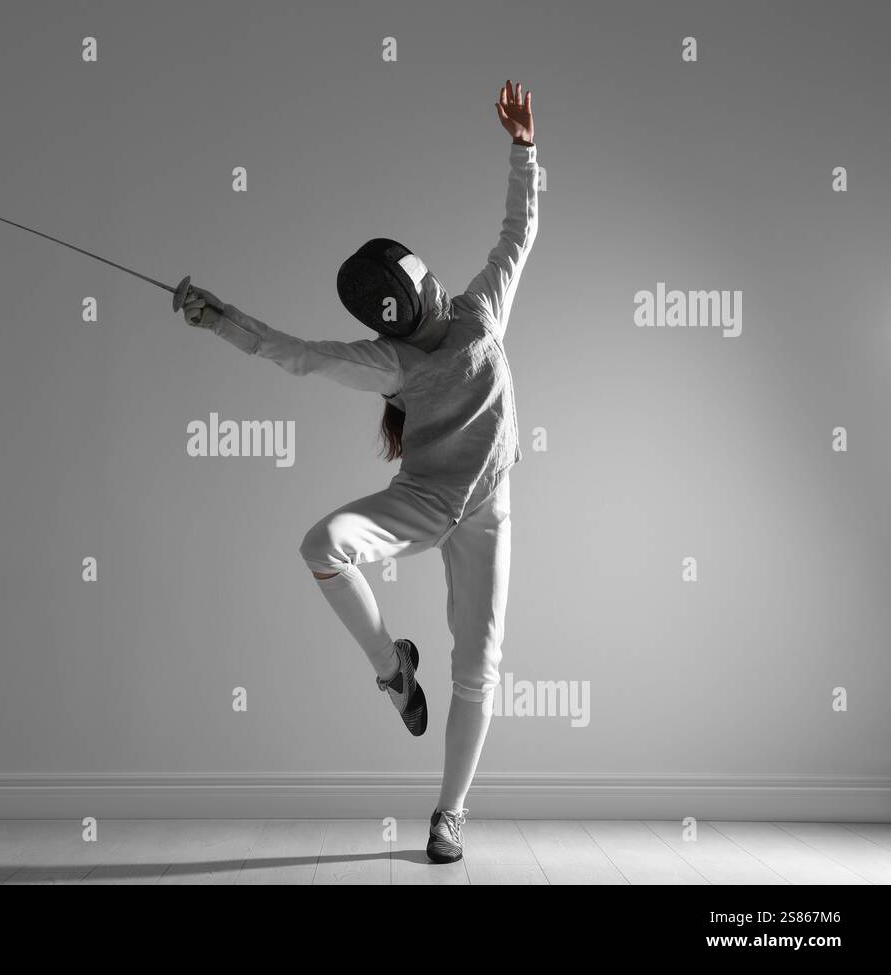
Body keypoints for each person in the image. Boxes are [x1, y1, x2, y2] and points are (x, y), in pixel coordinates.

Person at [178, 81, 538, 864]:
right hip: (421, 498)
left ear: (430, 282)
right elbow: (300, 354)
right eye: (414, 315)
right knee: (321, 543)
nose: (432, 311)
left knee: (480, 665)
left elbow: (520, 227)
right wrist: (218, 317)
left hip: (485, 513)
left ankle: (448, 815)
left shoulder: (482, 310)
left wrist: (523, 148)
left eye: (426, 298)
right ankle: (392, 667)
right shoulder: (392, 363)